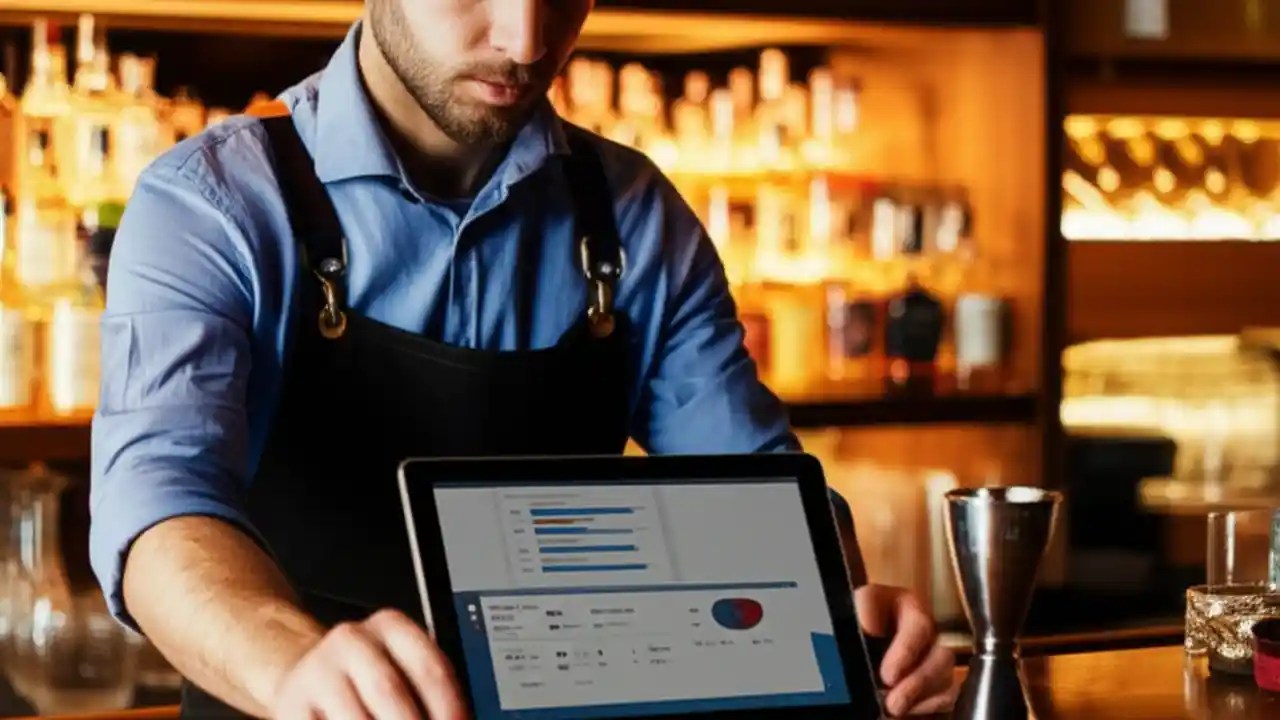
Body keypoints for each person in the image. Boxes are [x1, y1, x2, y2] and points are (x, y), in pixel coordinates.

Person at [89, 1, 956, 717]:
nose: (526, 38)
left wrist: (840, 608)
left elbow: (758, 491)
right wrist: (296, 667)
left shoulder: (634, 217)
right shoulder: (214, 204)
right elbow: (158, 509)